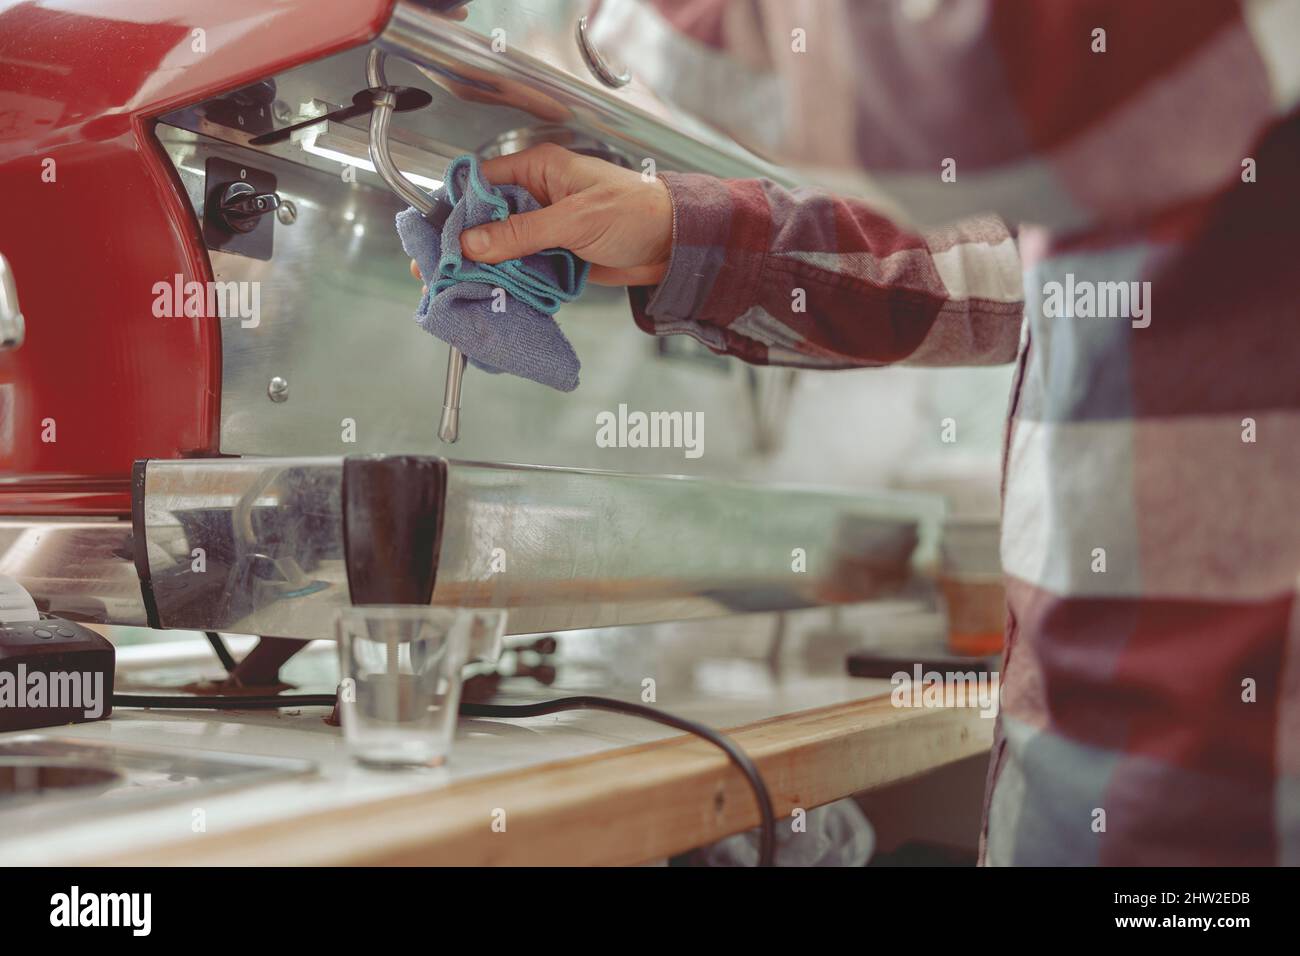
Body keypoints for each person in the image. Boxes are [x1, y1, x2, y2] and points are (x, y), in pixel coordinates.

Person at [415, 0, 1300, 865]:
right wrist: (681, 233)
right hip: (1116, 761)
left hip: (1222, 783)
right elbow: (1001, 265)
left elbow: (966, 75)